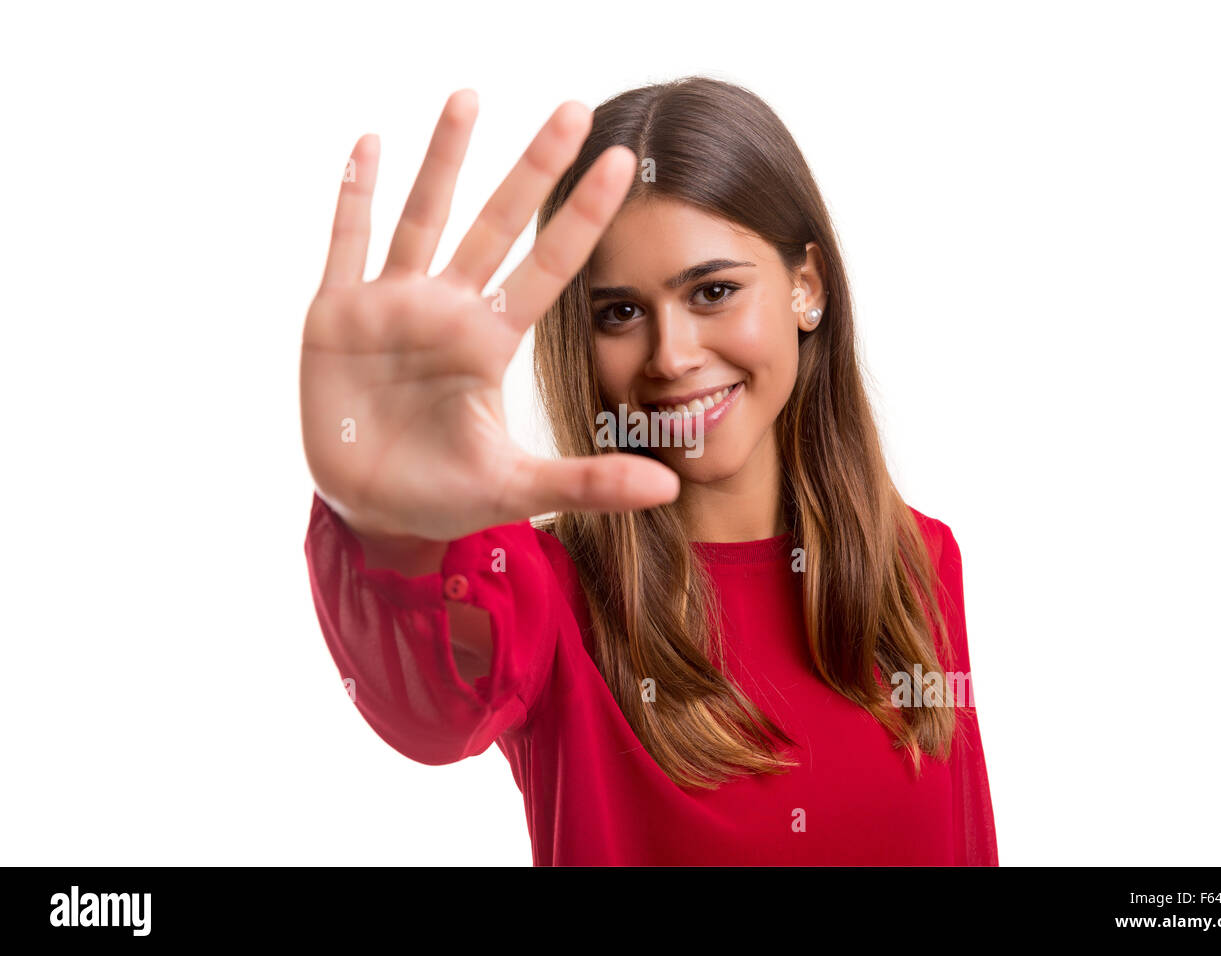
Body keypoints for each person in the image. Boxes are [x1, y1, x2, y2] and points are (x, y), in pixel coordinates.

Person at [300, 76, 998, 866]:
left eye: (713, 291)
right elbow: (431, 707)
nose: (671, 356)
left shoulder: (919, 562)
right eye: (621, 313)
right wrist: (393, 519)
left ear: (806, 288)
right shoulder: (545, 592)